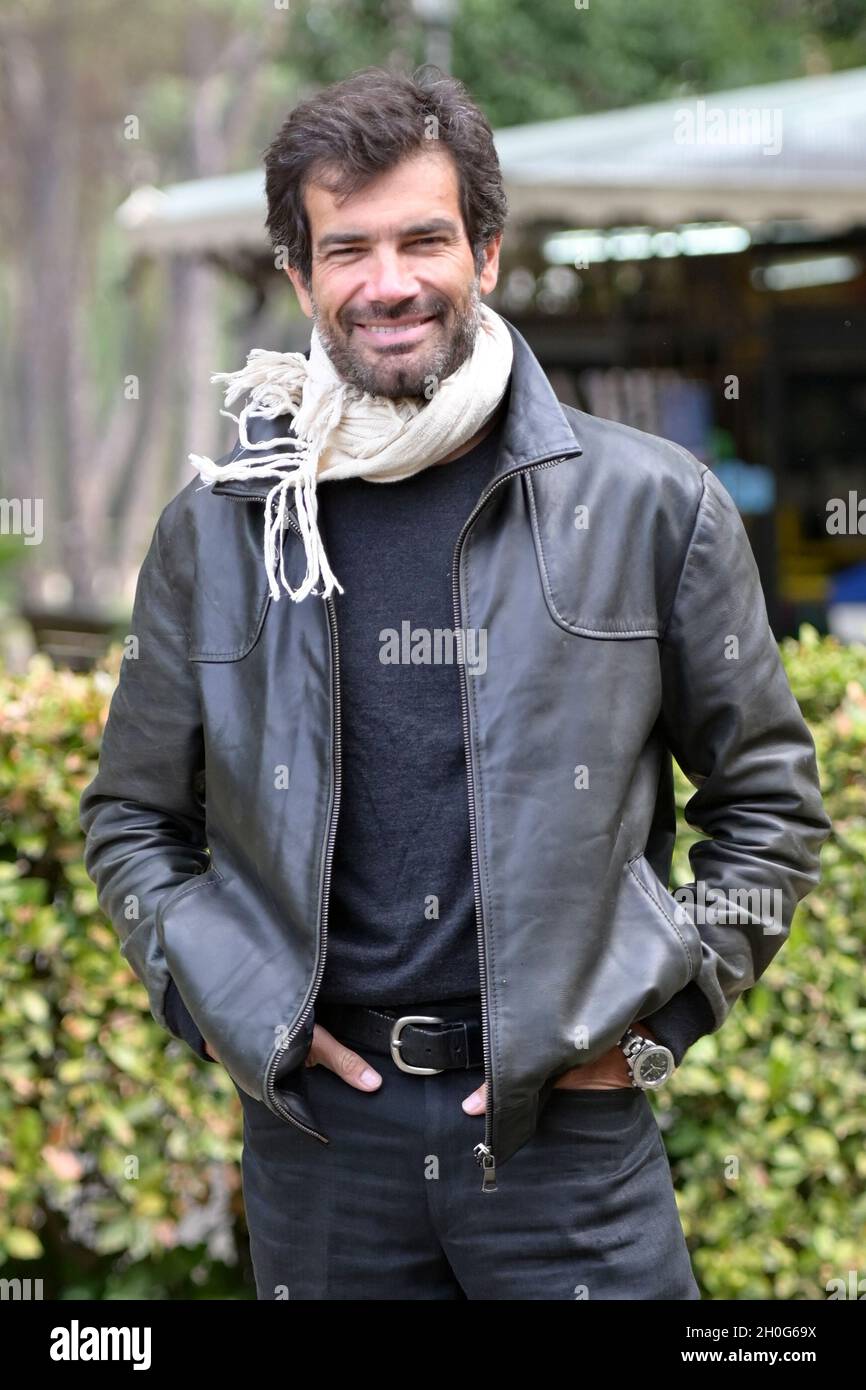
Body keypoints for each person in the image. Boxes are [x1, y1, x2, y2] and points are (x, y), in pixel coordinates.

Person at [79, 65, 832, 1301]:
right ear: (297, 274)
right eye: (347, 247)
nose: (388, 283)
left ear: (484, 249)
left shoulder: (649, 505)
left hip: (567, 1141)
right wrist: (221, 1007)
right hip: (321, 1143)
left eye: (423, 238)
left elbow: (767, 806)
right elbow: (132, 817)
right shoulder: (222, 528)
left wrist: (651, 1026)